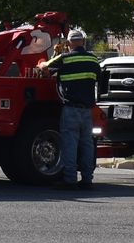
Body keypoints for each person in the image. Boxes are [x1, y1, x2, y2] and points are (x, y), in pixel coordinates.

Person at [39, 27, 99, 189]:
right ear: (83, 42)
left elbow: (45, 68)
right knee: (87, 144)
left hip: (71, 108)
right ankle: (87, 180)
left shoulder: (64, 59)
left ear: (68, 43)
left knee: (70, 144)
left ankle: (70, 179)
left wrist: (50, 57)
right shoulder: (93, 60)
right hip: (87, 110)